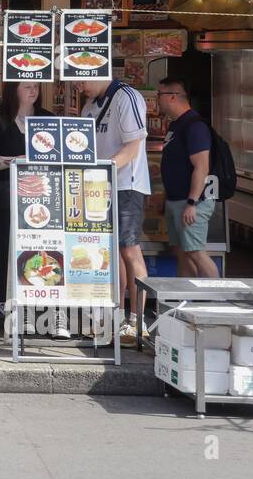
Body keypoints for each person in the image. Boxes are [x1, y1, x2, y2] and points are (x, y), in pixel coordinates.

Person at [79, 76, 152, 345]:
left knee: (129, 248)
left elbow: (133, 145)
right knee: (108, 251)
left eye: (80, 78)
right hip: (97, 185)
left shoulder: (127, 96)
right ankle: (115, 316)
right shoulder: (88, 105)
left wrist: (105, 168)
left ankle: (138, 320)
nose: (79, 85)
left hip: (125, 185)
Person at [0, 82, 54, 327]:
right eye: (26, 87)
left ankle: (42, 301)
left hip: (43, 195)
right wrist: (15, 161)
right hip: (6, 194)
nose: (33, 91)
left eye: (36, 87)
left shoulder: (47, 119)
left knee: (41, 249)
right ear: (13, 91)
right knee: (5, 248)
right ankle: (5, 300)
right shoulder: (0, 120)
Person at [157, 76, 219, 279]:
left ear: (172, 97)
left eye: (160, 94)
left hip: (192, 202)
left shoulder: (194, 126)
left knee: (196, 251)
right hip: (176, 200)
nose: (157, 99)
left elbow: (201, 167)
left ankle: (219, 302)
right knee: (182, 253)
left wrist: (192, 202)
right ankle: (186, 299)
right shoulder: (176, 125)